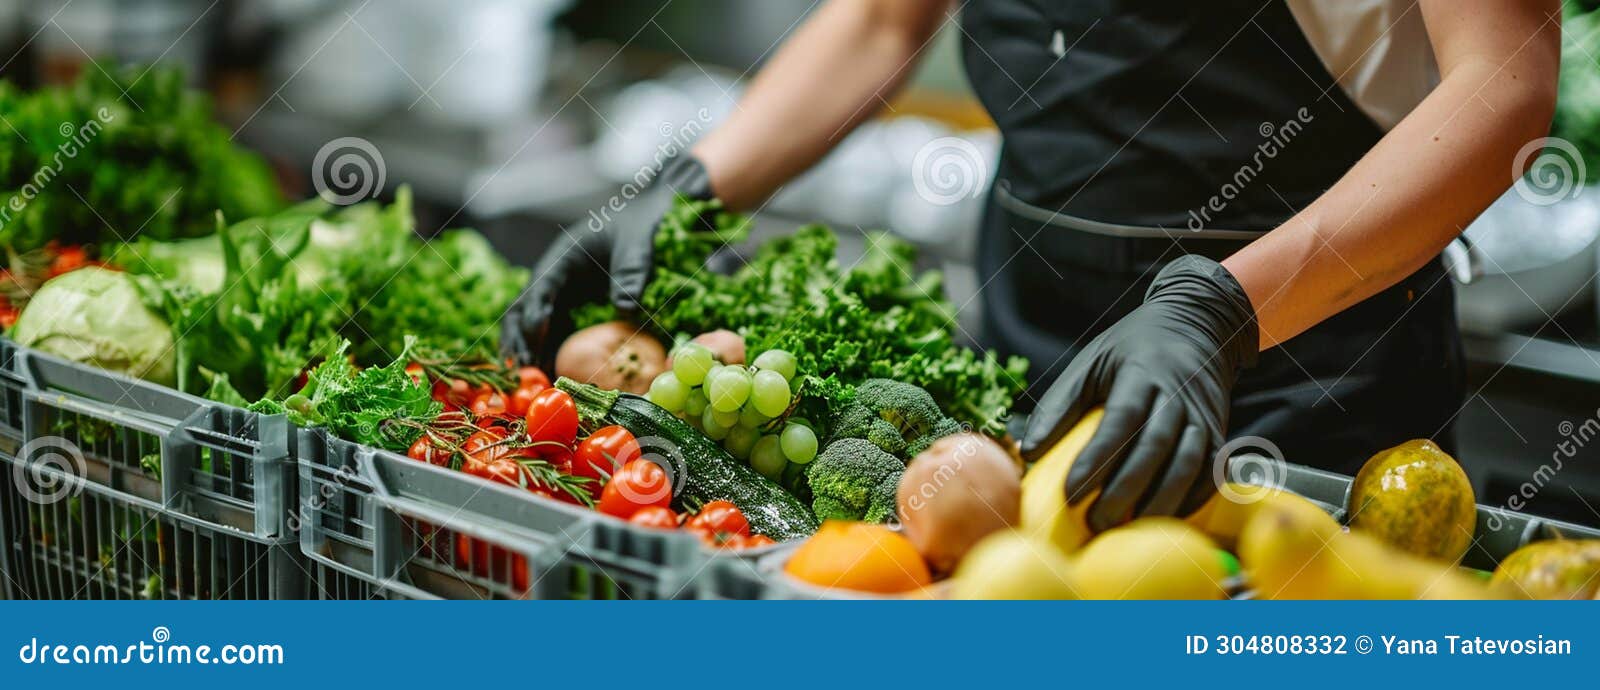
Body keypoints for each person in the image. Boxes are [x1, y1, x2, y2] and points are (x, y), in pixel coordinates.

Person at [504, 0, 1561, 532]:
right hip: (1022, 353)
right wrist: (688, 190)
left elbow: (1504, 85)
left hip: (1308, 384)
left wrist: (1219, 311)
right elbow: (881, 20)